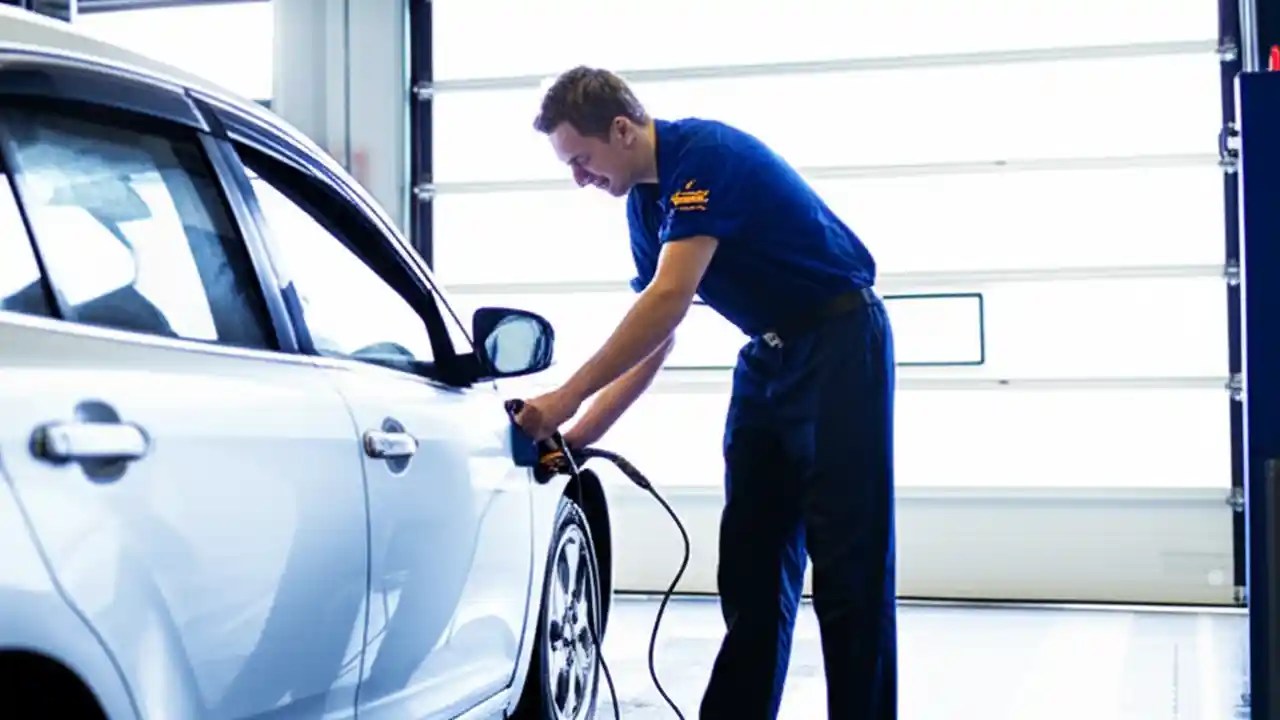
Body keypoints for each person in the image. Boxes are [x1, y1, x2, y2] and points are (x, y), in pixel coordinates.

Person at [513, 65, 897, 720]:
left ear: (622, 129)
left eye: (582, 160)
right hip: (767, 357)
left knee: (848, 572)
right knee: (750, 569)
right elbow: (657, 337)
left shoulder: (705, 157)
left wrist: (564, 397)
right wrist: (577, 437)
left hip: (838, 342)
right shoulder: (644, 203)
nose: (580, 179)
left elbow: (668, 299)